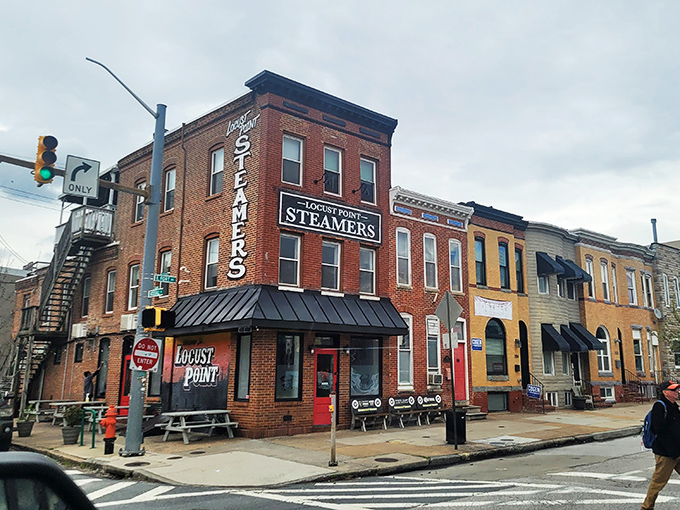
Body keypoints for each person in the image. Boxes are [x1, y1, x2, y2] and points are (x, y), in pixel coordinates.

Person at [641, 381, 680, 510]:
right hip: (666, 453)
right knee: (658, 482)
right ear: (665, 392)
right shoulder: (660, 407)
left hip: (677, 451)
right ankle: (647, 507)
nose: (677, 392)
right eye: (673, 390)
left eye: (677, 390)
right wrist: (674, 452)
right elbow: (660, 432)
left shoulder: (674, 406)